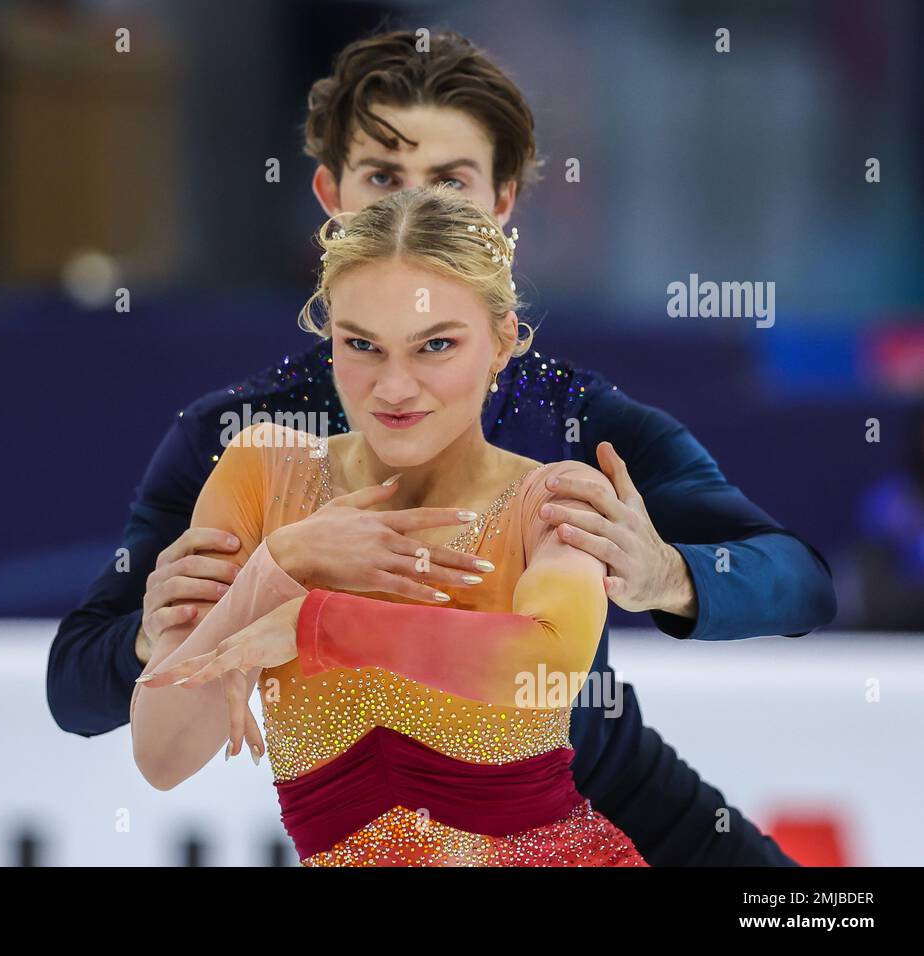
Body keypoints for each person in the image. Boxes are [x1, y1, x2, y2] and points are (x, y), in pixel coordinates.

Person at [49, 29, 836, 866]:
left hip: (617, 807)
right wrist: (177, 621)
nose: (412, 210)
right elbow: (81, 689)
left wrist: (667, 574)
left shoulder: (580, 425)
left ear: (500, 209)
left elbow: (800, 583)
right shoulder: (240, 442)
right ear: (329, 196)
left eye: (450, 184)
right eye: (384, 179)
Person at [134, 187, 649, 865]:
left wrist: (316, 625)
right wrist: (274, 569)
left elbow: (547, 666)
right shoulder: (263, 473)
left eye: (435, 345)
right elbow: (163, 756)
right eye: (362, 346)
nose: (395, 387)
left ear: (502, 340)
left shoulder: (552, 497)